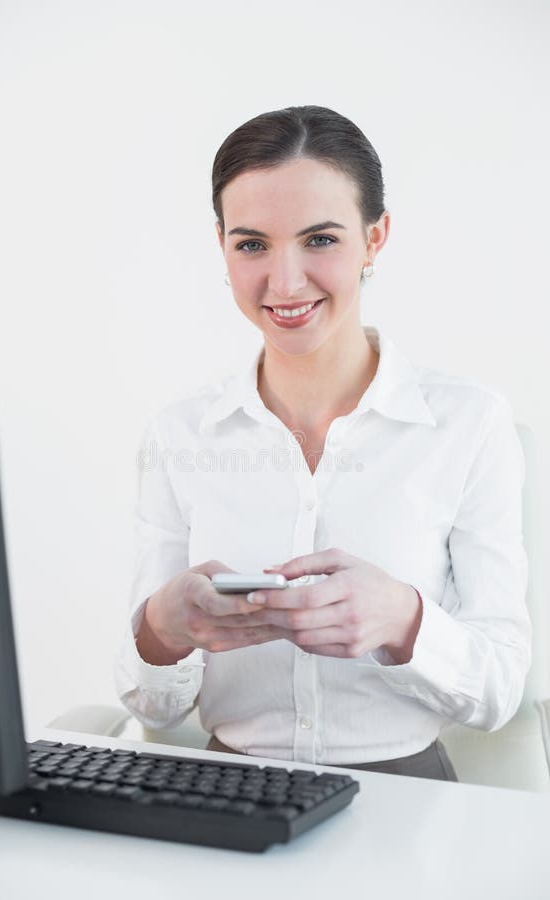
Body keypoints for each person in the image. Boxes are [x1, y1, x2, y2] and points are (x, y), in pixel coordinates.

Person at [114, 105, 531, 781]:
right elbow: (152, 705)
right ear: (221, 246)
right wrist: (163, 627)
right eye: (252, 244)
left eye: (320, 240)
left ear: (375, 238)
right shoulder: (178, 435)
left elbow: (500, 689)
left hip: (408, 795)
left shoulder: (469, 424)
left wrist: (404, 621)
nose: (283, 283)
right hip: (230, 792)